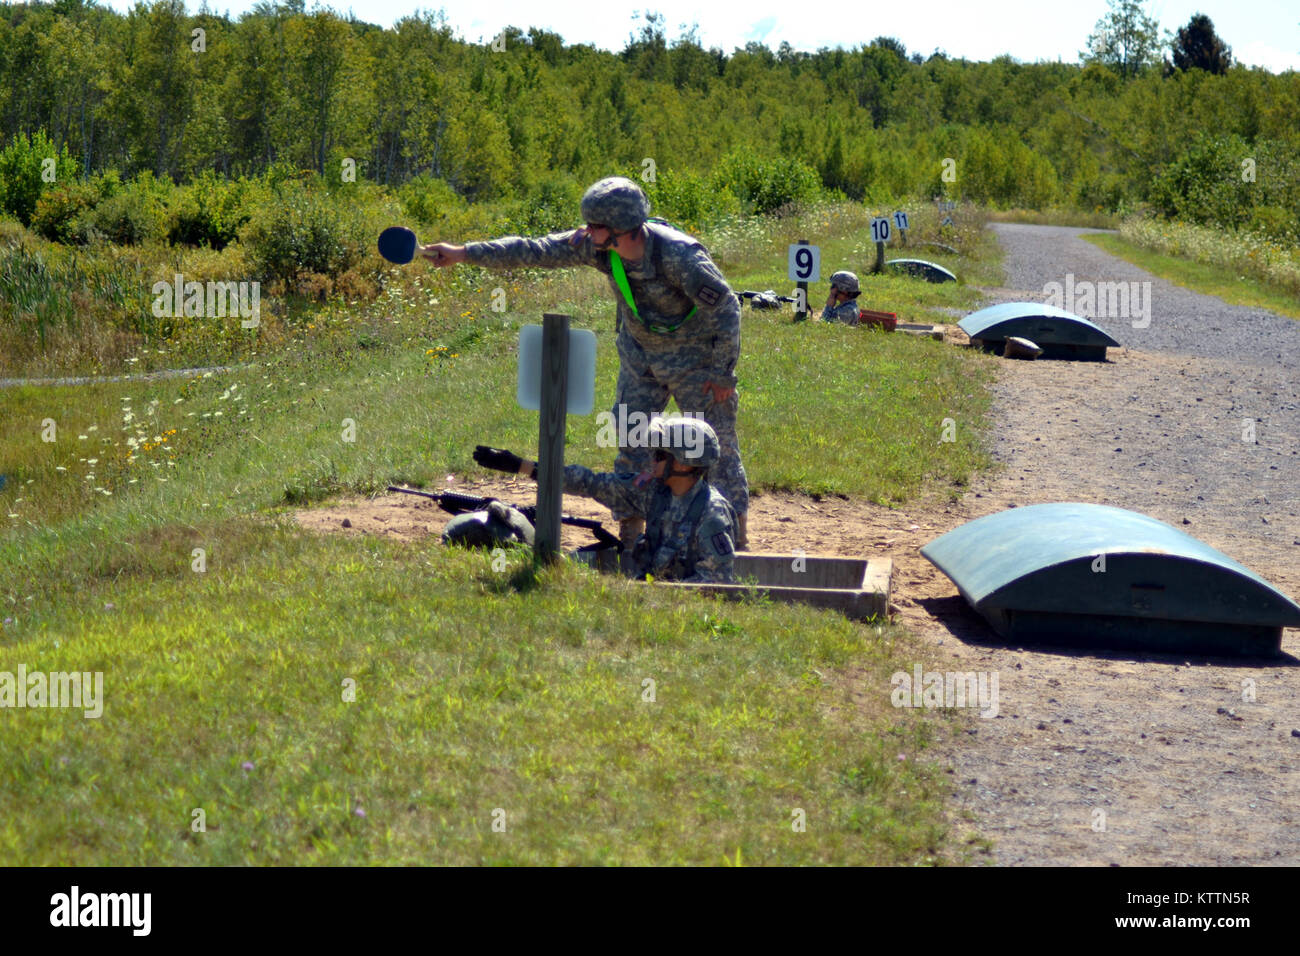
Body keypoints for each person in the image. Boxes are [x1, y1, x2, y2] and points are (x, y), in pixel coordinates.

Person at [419, 176, 749, 550]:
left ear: (622, 229)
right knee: (632, 441)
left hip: (697, 362)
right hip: (640, 358)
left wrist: (723, 372)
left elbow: (726, 307)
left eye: (596, 226)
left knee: (714, 448)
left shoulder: (680, 256)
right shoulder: (596, 246)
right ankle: (632, 538)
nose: (587, 232)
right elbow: (534, 250)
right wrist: (462, 253)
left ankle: (732, 541)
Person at [472, 417, 737, 584]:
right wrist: (524, 466)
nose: (653, 459)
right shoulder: (655, 493)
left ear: (682, 462)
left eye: (660, 454)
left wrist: (650, 595)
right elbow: (592, 483)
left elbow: (716, 584)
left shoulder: (711, 514)